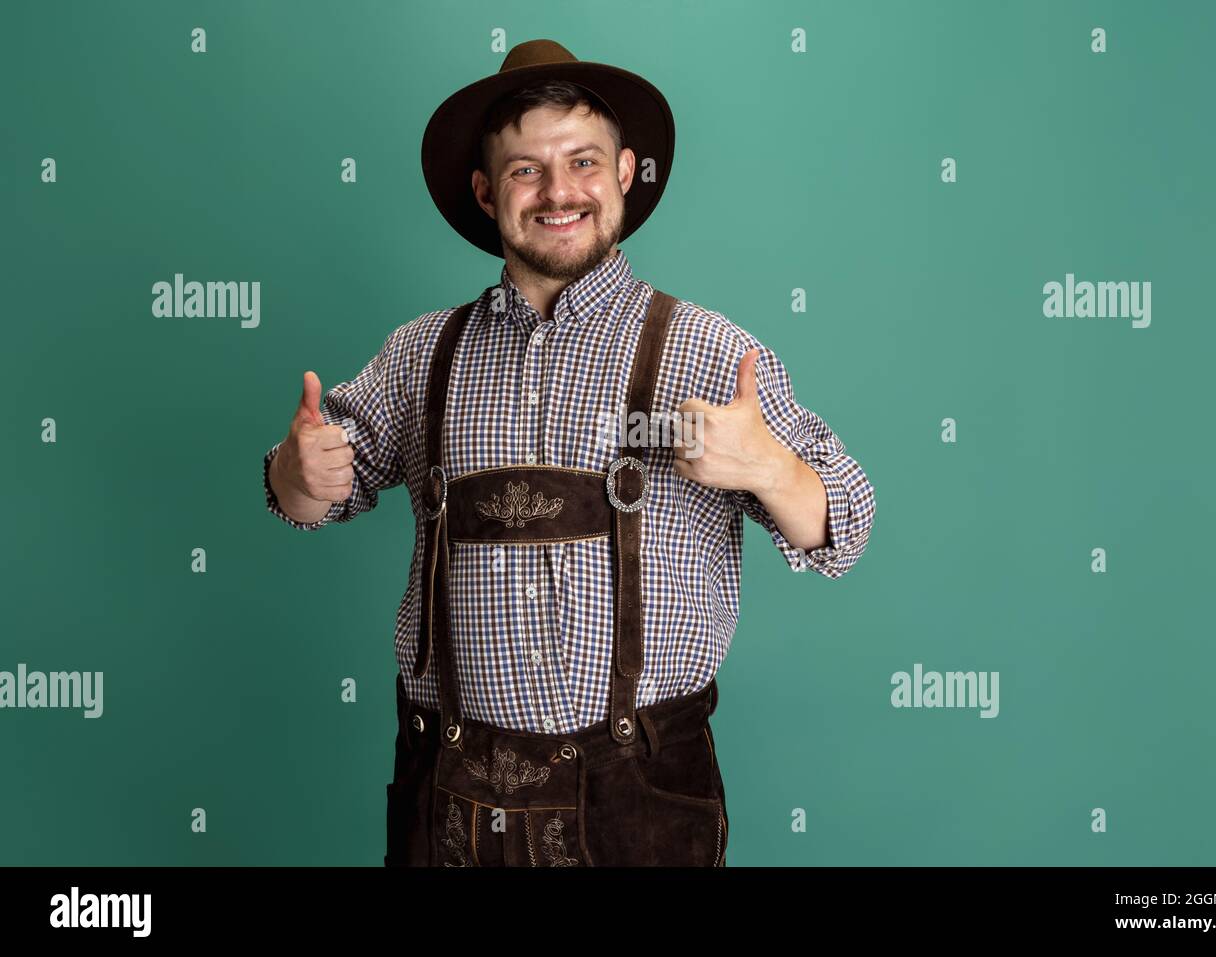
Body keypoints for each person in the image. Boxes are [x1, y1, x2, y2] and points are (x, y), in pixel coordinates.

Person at [261, 39, 876, 867]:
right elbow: (311, 496)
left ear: (624, 173)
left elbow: (847, 524)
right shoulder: (420, 356)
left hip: (639, 798)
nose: (558, 192)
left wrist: (768, 467)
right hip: (447, 791)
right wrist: (293, 474)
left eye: (582, 160)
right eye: (524, 170)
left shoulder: (704, 349)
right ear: (486, 193)